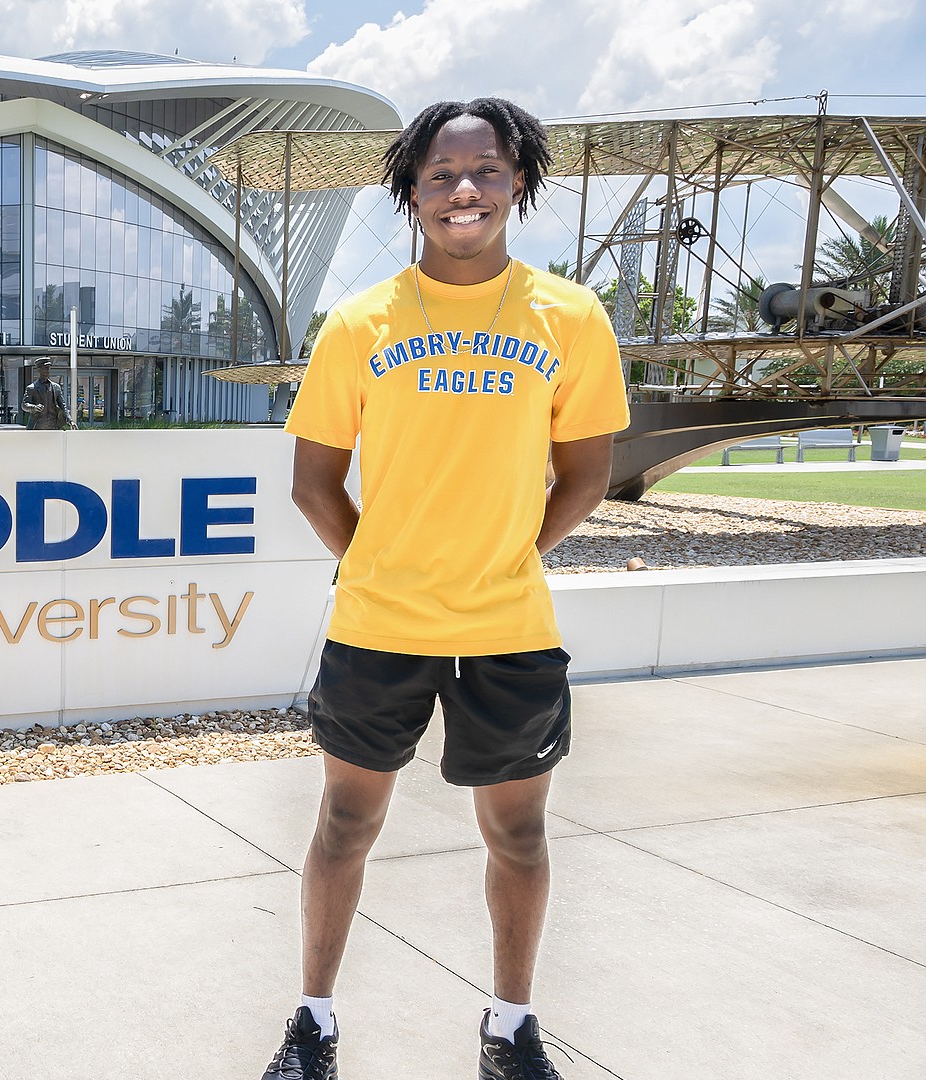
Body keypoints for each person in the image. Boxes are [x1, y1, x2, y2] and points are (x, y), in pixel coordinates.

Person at [262, 98, 629, 1080]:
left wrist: (511, 550)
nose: (464, 192)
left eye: (486, 172)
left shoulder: (570, 317)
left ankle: (511, 1028)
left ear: (517, 183)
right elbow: (313, 481)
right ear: (412, 192)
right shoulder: (360, 324)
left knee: (518, 832)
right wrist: (380, 560)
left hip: (510, 624)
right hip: (380, 624)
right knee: (345, 824)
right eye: (441, 176)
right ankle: (313, 1023)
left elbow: (586, 471)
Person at [20, 358, 70, 430]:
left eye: (48, 368)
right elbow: (24, 405)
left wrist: (69, 420)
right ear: (39, 370)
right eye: (45, 368)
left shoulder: (56, 387)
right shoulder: (31, 388)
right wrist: (34, 407)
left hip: (54, 426)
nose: (47, 370)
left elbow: (63, 405)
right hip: (37, 426)